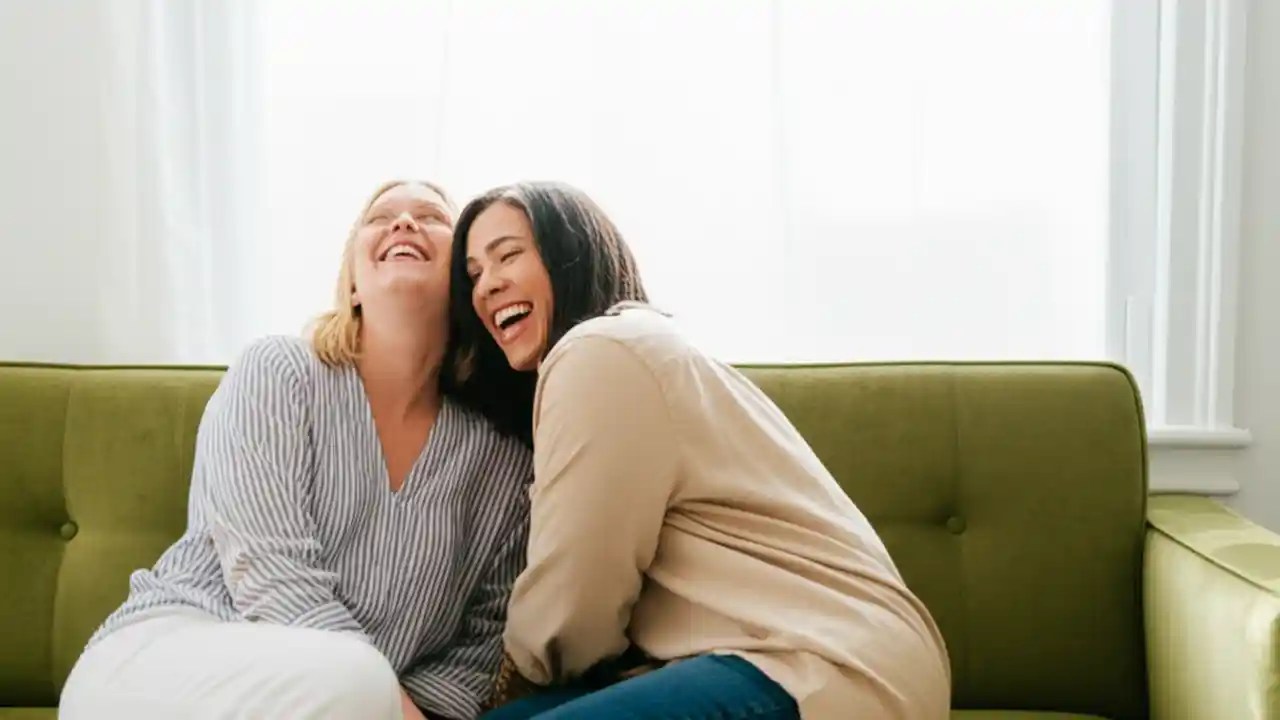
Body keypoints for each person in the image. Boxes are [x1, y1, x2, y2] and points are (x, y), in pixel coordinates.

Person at [451, 182, 952, 720]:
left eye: (508, 255)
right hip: (771, 655)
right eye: (474, 274)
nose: (487, 286)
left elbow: (573, 602)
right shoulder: (630, 351)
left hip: (822, 660)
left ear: (571, 254)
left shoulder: (598, 353)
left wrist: (507, 682)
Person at [59, 180, 533, 720]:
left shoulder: (504, 463)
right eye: (380, 218)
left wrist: (406, 705)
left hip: (339, 705)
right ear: (352, 285)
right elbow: (268, 573)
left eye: (431, 217)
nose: (403, 223)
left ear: (466, 283)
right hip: (157, 666)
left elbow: (481, 644)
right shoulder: (279, 372)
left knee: (357, 685)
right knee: (357, 681)